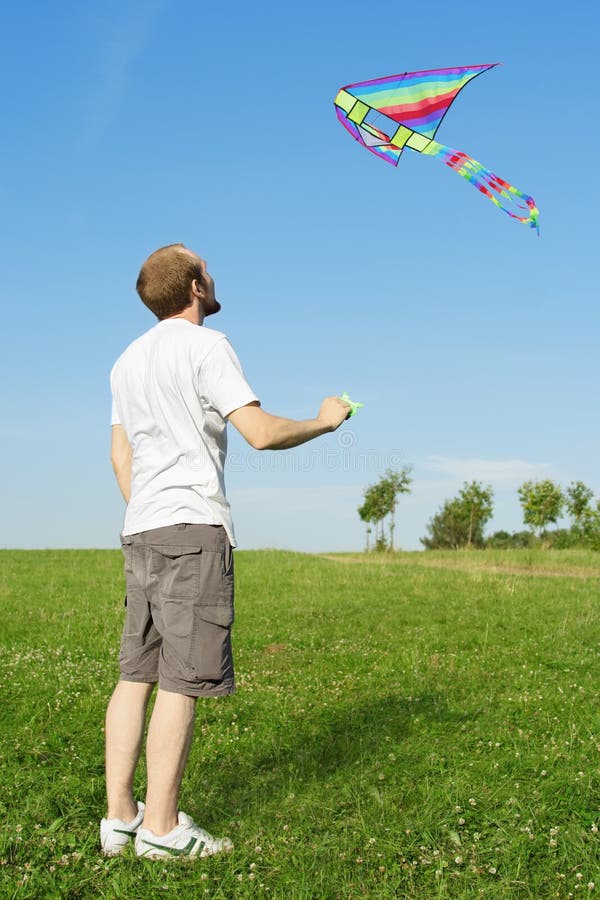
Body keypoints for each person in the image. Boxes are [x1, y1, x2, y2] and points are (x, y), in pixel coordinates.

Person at [101, 243, 350, 858]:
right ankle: (162, 832)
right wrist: (325, 421)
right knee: (182, 680)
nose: (214, 276)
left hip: (142, 528)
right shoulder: (208, 346)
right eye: (206, 269)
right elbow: (261, 434)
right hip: (191, 530)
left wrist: (148, 511)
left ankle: (120, 820)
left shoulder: (126, 361)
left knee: (136, 676)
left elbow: (119, 454)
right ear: (193, 286)